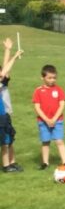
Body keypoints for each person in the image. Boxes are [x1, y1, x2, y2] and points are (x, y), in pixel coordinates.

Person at [33, 63, 65, 170]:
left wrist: (54, 119)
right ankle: (45, 163)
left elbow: (62, 104)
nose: (52, 80)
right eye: (49, 78)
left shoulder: (59, 90)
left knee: (59, 140)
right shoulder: (38, 91)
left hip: (57, 121)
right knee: (45, 141)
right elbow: (37, 107)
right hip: (43, 121)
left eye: (54, 78)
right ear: (42, 78)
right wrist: (47, 119)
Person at [1, 38, 25, 173]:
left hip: (6, 114)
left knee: (10, 139)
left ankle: (12, 162)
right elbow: (5, 70)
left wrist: (8, 50)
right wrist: (14, 55)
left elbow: (5, 69)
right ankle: (6, 165)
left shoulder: (3, 82)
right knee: (5, 140)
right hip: (1, 115)